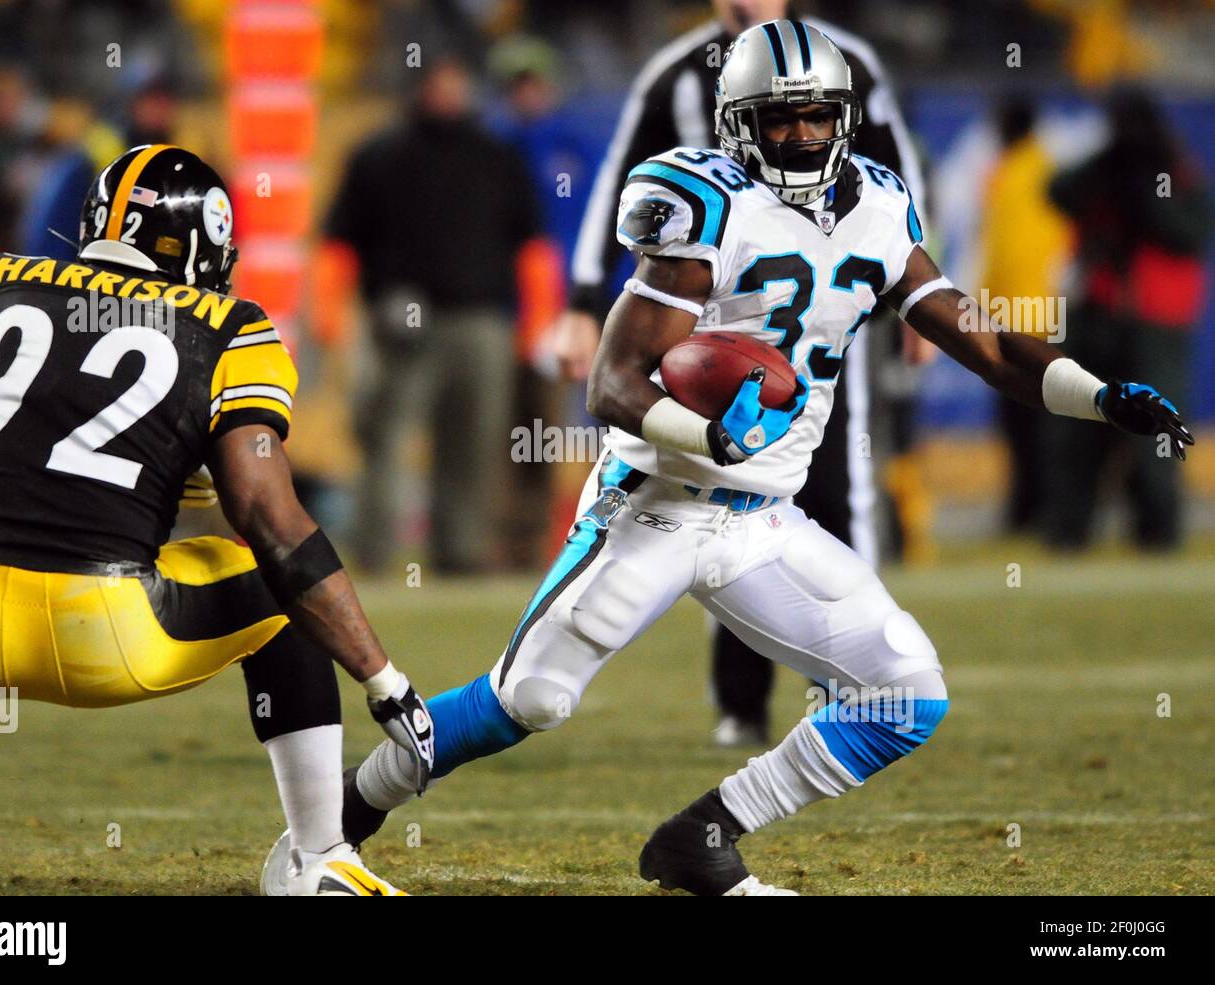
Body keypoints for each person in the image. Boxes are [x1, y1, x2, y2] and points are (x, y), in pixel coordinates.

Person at [266, 20, 1192, 897]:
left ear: (844, 118)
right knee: (532, 700)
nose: (798, 135)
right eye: (777, 118)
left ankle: (704, 835)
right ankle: (351, 805)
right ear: (736, 126)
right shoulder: (705, 204)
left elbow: (983, 343)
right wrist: (713, 435)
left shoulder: (877, 204)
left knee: (905, 691)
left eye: (816, 116)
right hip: (654, 502)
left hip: (762, 521)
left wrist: (1098, 395)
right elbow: (614, 385)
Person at [0, 144, 435, 897]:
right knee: (277, 589)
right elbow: (270, 520)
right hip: (109, 634)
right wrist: (382, 677)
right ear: (199, 247)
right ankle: (319, 855)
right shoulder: (230, 327)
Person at [555, 0, 927, 747]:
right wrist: (582, 300)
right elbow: (617, 184)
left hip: (816, 314)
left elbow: (899, 176)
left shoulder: (842, 60)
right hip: (715, 322)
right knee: (720, 503)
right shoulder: (675, 73)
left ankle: (847, 682)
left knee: (836, 491)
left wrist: (916, 290)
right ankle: (742, 700)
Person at [323, 57, 543, 574]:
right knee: (386, 437)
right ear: (418, 87)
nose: (447, 91)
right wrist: (329, 315)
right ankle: (374, 553)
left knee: (473, 442)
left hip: (481, 320)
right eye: (437, 82)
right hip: (403, 318)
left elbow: (530, 244)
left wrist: (538, 321)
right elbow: (340, 241)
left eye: (456, 81)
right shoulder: (378, 154)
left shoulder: (496, 155)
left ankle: (460, 554)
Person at [1043, 86, 1211, 550]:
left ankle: (1158, 532)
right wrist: (1110, 172)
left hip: (1155, 322)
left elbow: (1193, 231)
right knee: (1081, 424)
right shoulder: (1105, 171)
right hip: (1101, 313)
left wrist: (1148, 199)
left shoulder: (1176, 174)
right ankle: (1070, 532)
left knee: (1155, 430)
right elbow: (1057, 191)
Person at [978, 97, 1071, 534]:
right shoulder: (1041, 169)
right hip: (1030, 311)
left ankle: (1036, 509)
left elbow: (1001, 250)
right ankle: (1032, 508)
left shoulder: (1022, 173)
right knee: (1029, 419)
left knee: (1031, 421)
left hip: (1023, 313)